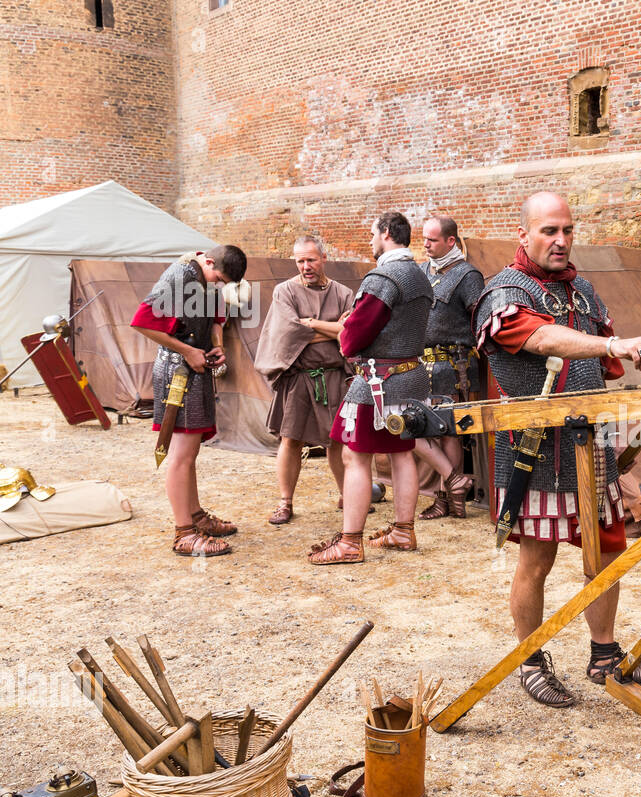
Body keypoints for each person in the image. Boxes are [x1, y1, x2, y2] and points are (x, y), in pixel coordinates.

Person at [475, 191, 641, 707]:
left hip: (592, 450)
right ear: (524, 234)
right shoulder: (502, 293)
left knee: (605, 557)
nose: (560, 240)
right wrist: (613, 344)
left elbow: (596, 362)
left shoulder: (582, 291)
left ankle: (603, 654)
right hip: (534, 454)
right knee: (535, 562)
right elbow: (540, 340)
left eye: (566, 230)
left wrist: (625, 354)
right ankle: (530, 657)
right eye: (548, 231)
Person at [309, 212, 433, 565]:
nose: (369, 242)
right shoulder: (421, 277)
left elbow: (355, 335)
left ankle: (349, 543)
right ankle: (404, 531)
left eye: (372, 235)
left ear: (385, 234)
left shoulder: (383, 277)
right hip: (411, 376)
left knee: (355, 456)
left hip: (379, 381)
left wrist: (346, 334)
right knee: (402, 453)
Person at [131, 246, 247, 557]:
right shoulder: (178, 276)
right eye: (218, 278)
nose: (219, 285)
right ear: (208, 261)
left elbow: (216, 318)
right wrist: (188, 352)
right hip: (176, 371)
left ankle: (195, 517)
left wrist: (218, 345)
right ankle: (184, 532)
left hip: (194, 367)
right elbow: (142, 322)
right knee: (181, 454)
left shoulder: (207, 278)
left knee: (190, 452)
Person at [254, 236, 353, 525]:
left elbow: (351, 332)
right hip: (298, 378)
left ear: (324, 257)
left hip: (335, 376)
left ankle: (348, 495)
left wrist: (310, 325)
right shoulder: (285, 292)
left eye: (311, 259)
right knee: (291, 439)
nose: (305, 266)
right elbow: (287, 334)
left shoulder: (343, 293)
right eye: (300, 261)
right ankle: (285, 502)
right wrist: (334, 329)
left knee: (338, 441)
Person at [413, 214, 483, 519]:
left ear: (450, 241)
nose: (425, 244)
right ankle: (450, 490)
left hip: (454, 367)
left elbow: (481, 320)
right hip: (423, 365)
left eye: (432, 239)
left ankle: (448, 497)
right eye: (424, 239)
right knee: (428, 431)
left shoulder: (468, 276)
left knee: (449, 431)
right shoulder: (420, 271)